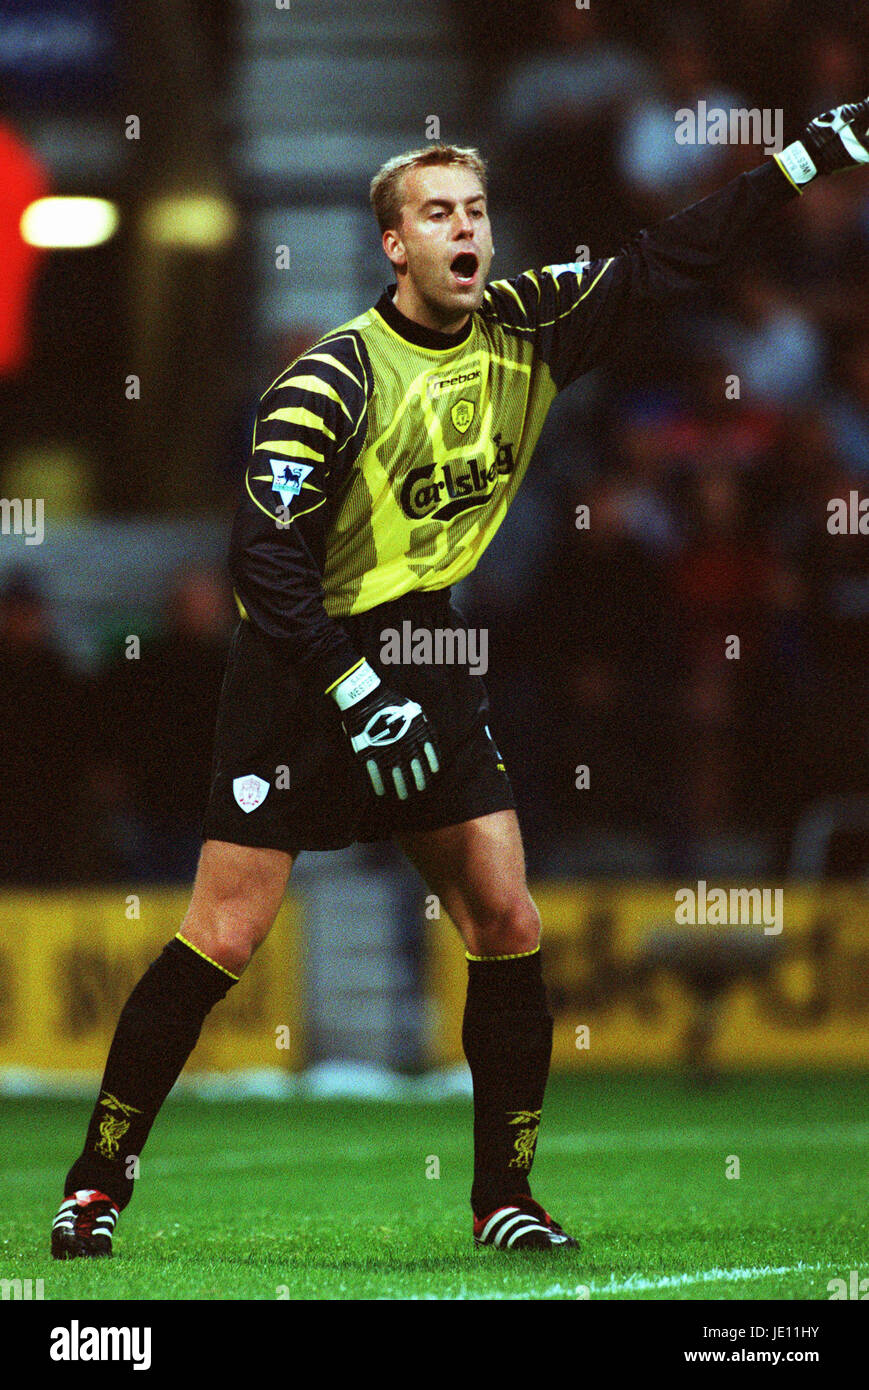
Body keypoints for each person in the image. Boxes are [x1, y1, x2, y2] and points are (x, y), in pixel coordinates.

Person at [52, 98, 869, 1257]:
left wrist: (798, 158)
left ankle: (503, 1197)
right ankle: (93, 1183)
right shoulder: (329, 382)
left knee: (504, 913)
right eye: (437, 213)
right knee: (225, 935)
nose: (463, 229)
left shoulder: (531, 324)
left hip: (428, 645)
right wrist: (347, 690)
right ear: (394, 244)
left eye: (474, 210)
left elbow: (665, 262)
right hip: (302, 662)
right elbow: (262, 558)